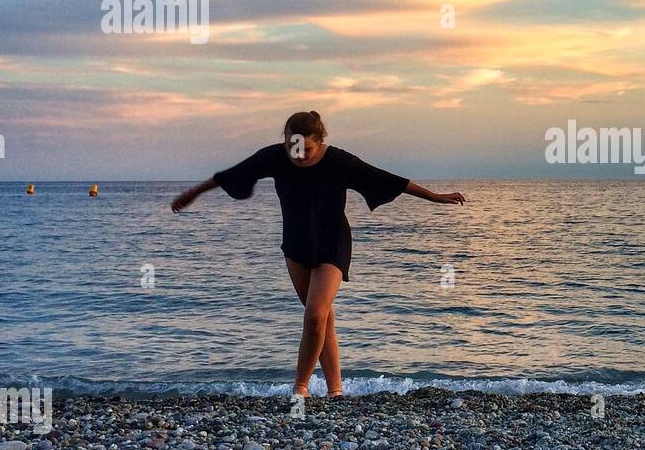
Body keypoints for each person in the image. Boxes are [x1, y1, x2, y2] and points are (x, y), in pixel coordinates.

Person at [170, 110, 465, 398]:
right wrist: (194, 193)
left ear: (320, 141)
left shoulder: (339, 161)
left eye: (306, 149)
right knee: (322, 319)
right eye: (291, 147)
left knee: (314, 317)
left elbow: (387, 180)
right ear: (284, 140)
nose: (298, 155)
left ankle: (300, 387)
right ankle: (336, 390)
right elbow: (233, 175)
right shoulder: (274, 157)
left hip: (332, 243)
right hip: (296, 244)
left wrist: (436, 197)